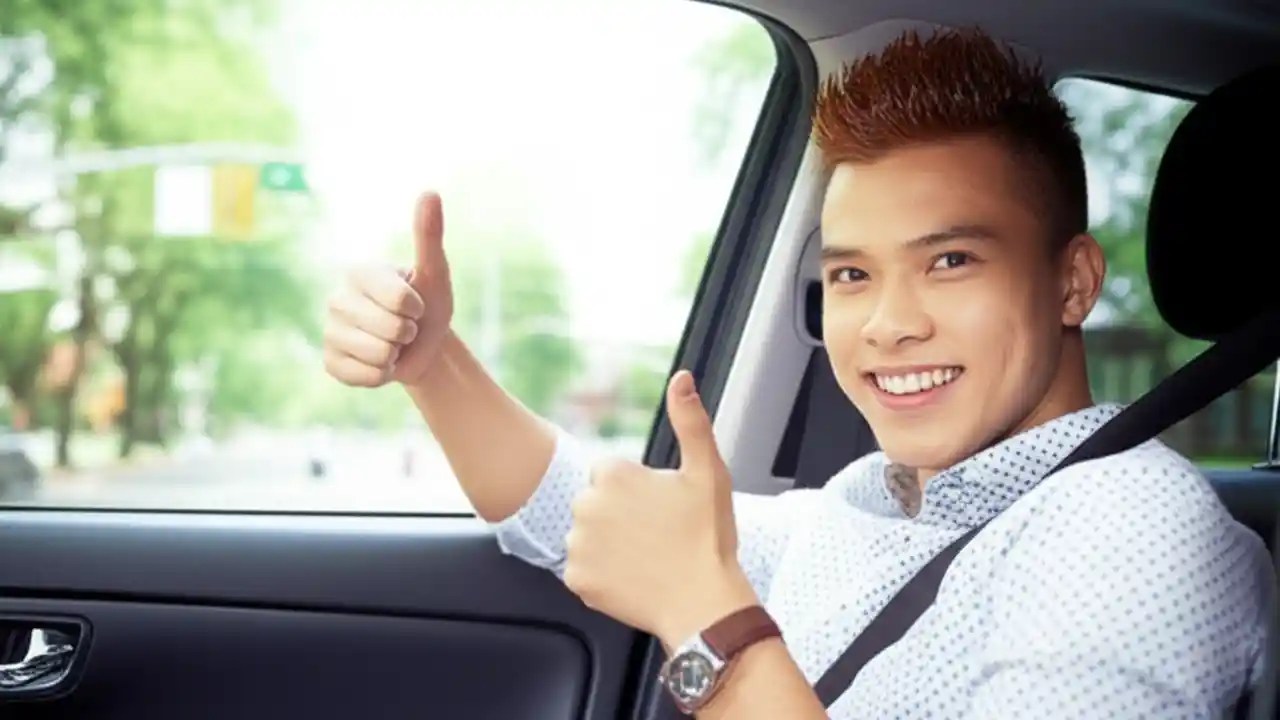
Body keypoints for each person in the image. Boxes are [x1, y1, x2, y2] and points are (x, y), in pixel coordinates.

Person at [322, 26, 1273, 719]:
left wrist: (708, 619)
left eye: (950, 261)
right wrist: (432, 363)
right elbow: (575, 513)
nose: (890, 325)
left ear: (1073, 283)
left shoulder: (1132, 527)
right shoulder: (863, 507)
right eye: (852, 275)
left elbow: (689, 585)